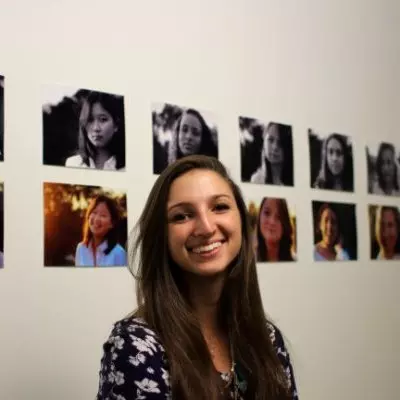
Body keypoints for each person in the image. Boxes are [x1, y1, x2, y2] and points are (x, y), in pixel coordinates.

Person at [96, 155, 298, 399]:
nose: (206, 227)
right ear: (162, 236)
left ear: (242, 222)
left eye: (220, 207)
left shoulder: (267, 337)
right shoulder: (136, 345)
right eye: (182, 216)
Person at [65, 91, 125, 170]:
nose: (96, 128)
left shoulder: (127, 166)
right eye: (90, 120)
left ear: (116, 125)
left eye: (103, 119)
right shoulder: (73, 163)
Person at [75, 195, 127, 267]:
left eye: (103, 215)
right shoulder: (81, 248)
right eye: (94, 212)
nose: (96, 219)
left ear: (112, 223)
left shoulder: (118, 253)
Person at [257, 197, 296, 262]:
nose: (272, 222)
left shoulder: (295, 261)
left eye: (279, 216)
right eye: (267, 213)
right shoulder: (247, 261)